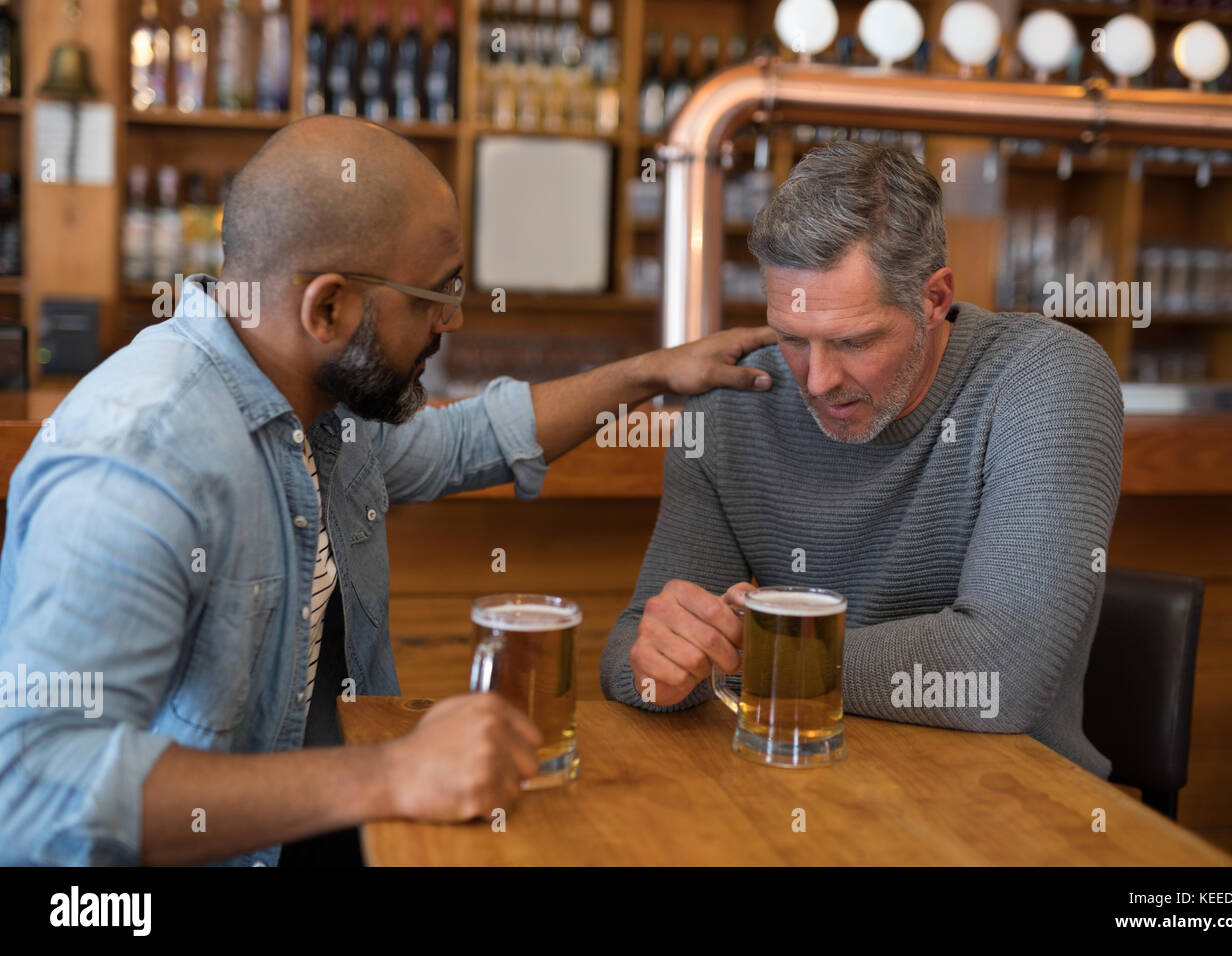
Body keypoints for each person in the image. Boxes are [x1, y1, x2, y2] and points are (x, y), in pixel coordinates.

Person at [0, 116, 776, 866]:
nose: (456, 319)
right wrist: (391, 773)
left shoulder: (324, 410)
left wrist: (647, 374)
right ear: (328, 307)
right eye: (434, 294)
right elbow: (34, 798)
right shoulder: (140, 459)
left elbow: (470, 439)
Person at [600, 142, 1123, 778]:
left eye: (854, 341)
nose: (818, 381)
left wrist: (757, 647)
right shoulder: (729, 409)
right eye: (792, 338)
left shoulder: (1045, 379)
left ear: (933, 300)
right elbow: (630, 654)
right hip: (793, 789)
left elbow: (999, 670)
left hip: (1008, 806)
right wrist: (659, 657)